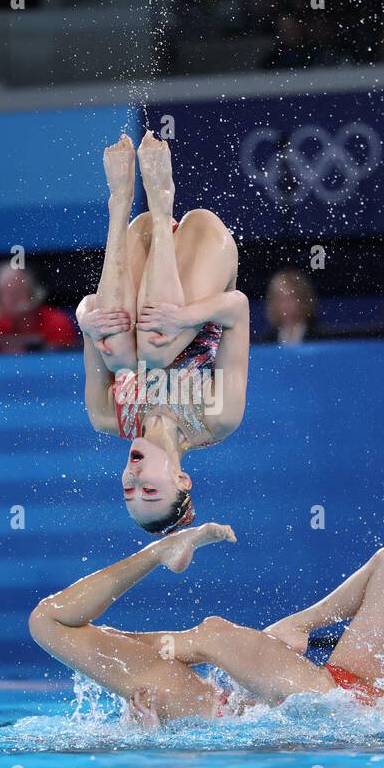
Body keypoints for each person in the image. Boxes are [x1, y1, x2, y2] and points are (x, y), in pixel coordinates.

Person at [29, 523, 384, 726]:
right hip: (341, 696)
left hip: (335, 698)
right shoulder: (186, 700)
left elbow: (56, 622)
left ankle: (291, 625)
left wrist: (144, 742)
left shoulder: (183, 697)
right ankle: (291, 626)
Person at [76, 132, 250, 534]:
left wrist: (85, 319)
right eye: (149, 492)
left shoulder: (106, 416)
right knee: (153, 348)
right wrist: (184, 318)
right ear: (180, 479)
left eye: (127, 493)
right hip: (205, 247)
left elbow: (90, 314)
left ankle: (118, 203)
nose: (134, 482)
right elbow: (237, 307)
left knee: (119, 353)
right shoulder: (216, 417)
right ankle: (161, 198)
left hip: (139, 240)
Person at [0, 264, 79, 355]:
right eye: (5, 294)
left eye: (16, 293)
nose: (12, 300)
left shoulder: (58, 323)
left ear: (34, 293)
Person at [261, 268, 321, 344]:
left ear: (303, 299)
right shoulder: (265, 342)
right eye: (279, 297)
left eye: (290, 297)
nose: (284, 303)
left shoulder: (323, 336)